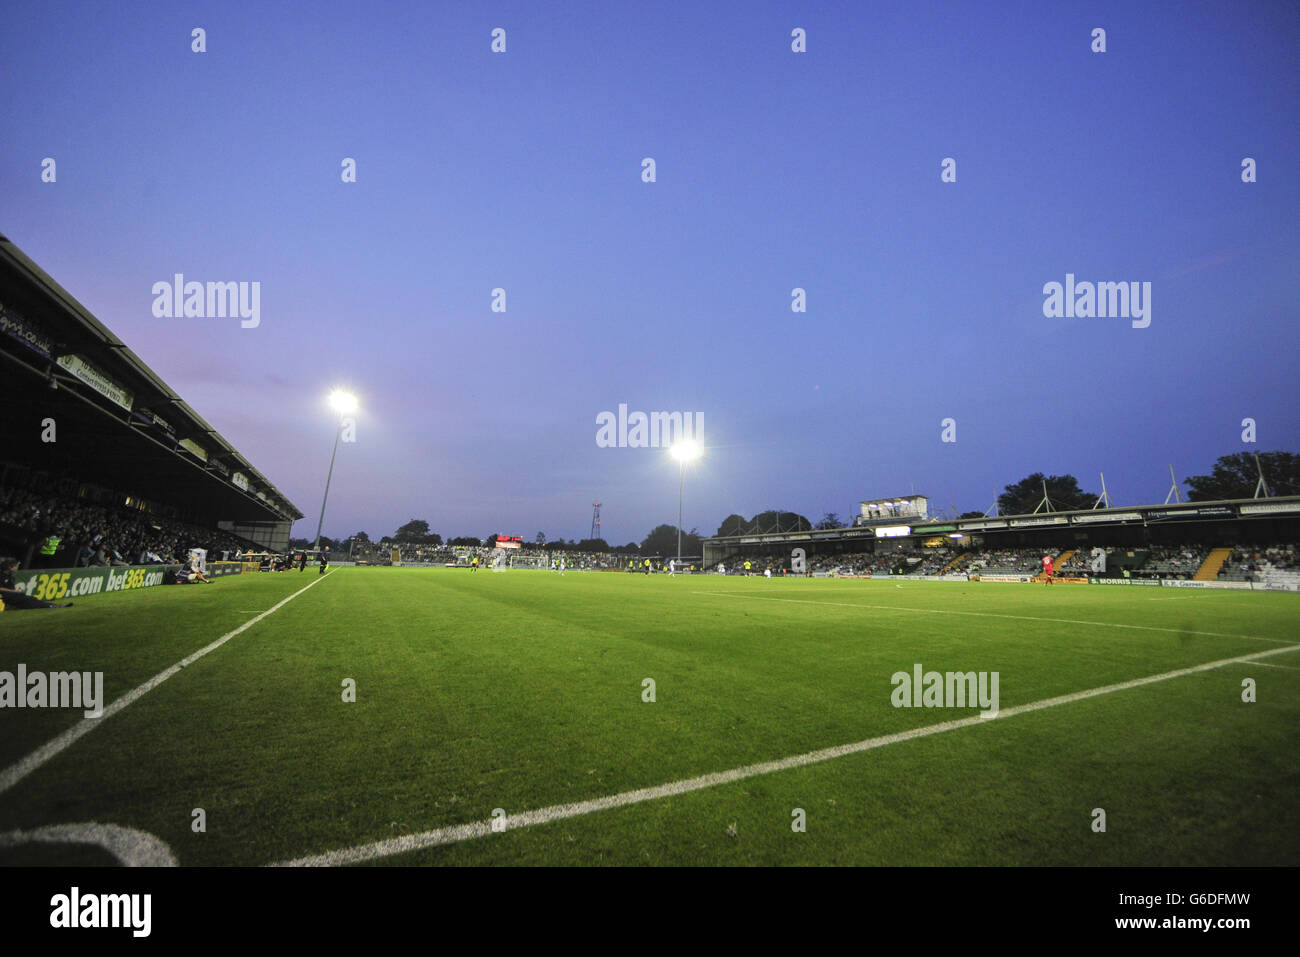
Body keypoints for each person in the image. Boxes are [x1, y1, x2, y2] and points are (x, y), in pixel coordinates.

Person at [0, 559, 74, 609]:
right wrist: (13, 591)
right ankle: (54, 606)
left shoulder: (10, 576)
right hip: (8, 598)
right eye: (14, 566)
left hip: (15, 596)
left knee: (32, 599)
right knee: (31, 601)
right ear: (9, 567)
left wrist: (17, 590)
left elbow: (10, 588)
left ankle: (52, 605)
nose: (16, 568)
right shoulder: (1, 576)